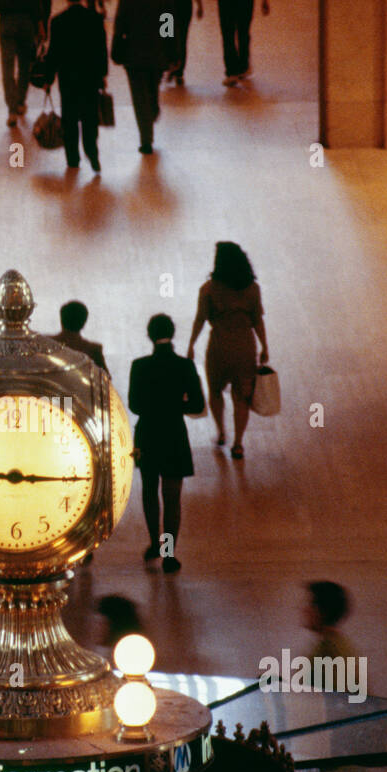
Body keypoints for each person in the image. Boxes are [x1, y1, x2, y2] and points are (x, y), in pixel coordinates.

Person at [129, 313, 205, 575]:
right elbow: (197, 405)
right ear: (173, 334)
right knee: (172, 498)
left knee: (150, 491)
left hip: (148, 433)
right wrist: (175, 404)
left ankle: (153, 544)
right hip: (174, 434)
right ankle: (169, 553)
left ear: (149, 335)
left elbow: (135, 405)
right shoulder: (185, 366)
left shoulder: (138, 366)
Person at [187, 241, 268, 460]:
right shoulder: (252, 289)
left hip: (219, 348)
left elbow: (200, 319)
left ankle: (222, 431)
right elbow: (257, 321)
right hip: (245, 348)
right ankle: (239, 443)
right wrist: (264, 346)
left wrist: (192, 344)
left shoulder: (209, 289)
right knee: (242, 397)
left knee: (215, 391)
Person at [44, 0, 107, 172]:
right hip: (90, 76)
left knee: (69, 117)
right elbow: (101, 49)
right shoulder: (95, 19)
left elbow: (53, 52)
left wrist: (49, 77)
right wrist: (102, 74)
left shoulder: (57, 21)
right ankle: (92, 152)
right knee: (89, 116)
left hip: (68, 77)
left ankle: (72, 158)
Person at [111, 0, 169, 155]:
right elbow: (167, 31)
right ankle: (152, 111)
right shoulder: (164, 0)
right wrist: (172, 54)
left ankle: (146, 139)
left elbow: (119, 29)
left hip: (133, 56)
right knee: (152, 89)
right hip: (157, 54)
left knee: (138, 98)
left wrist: (116, 52)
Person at [51, 300, 109, 372]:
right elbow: (105, 378)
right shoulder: (93, 349)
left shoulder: (46, 344)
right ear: (84, 323)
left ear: (61, 320)